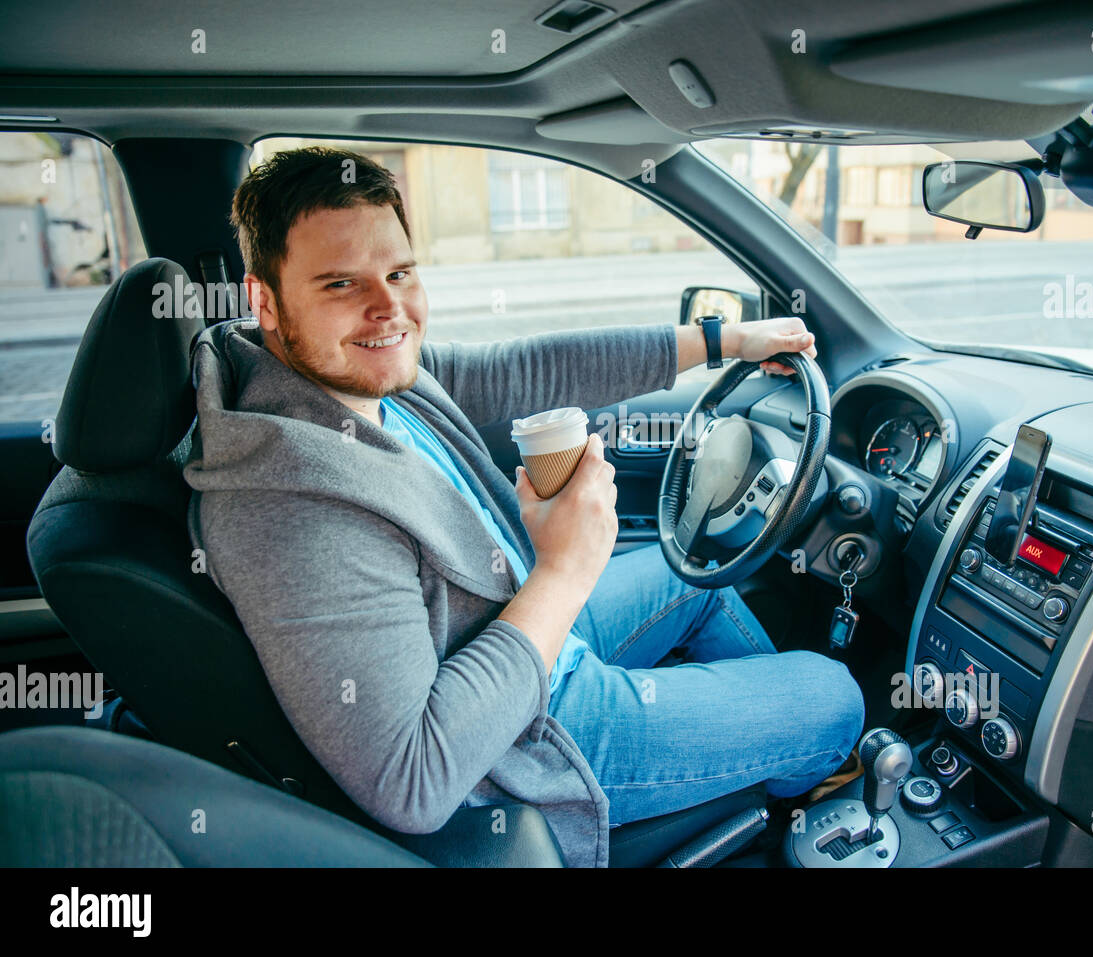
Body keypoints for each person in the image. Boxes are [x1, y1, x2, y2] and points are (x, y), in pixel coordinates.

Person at [183, 145, 865, 867]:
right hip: (522, 735)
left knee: (692, 575)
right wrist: (565, 572)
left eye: (400, 272)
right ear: (266, 303)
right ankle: (778, 787)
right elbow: (412, 779)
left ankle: (752, 774)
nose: (388, 307)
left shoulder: (359, 375)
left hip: (523, 632)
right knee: (837, 696)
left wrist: (726, 340)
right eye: (341, 283)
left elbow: (530, 367)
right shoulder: (293, 514)